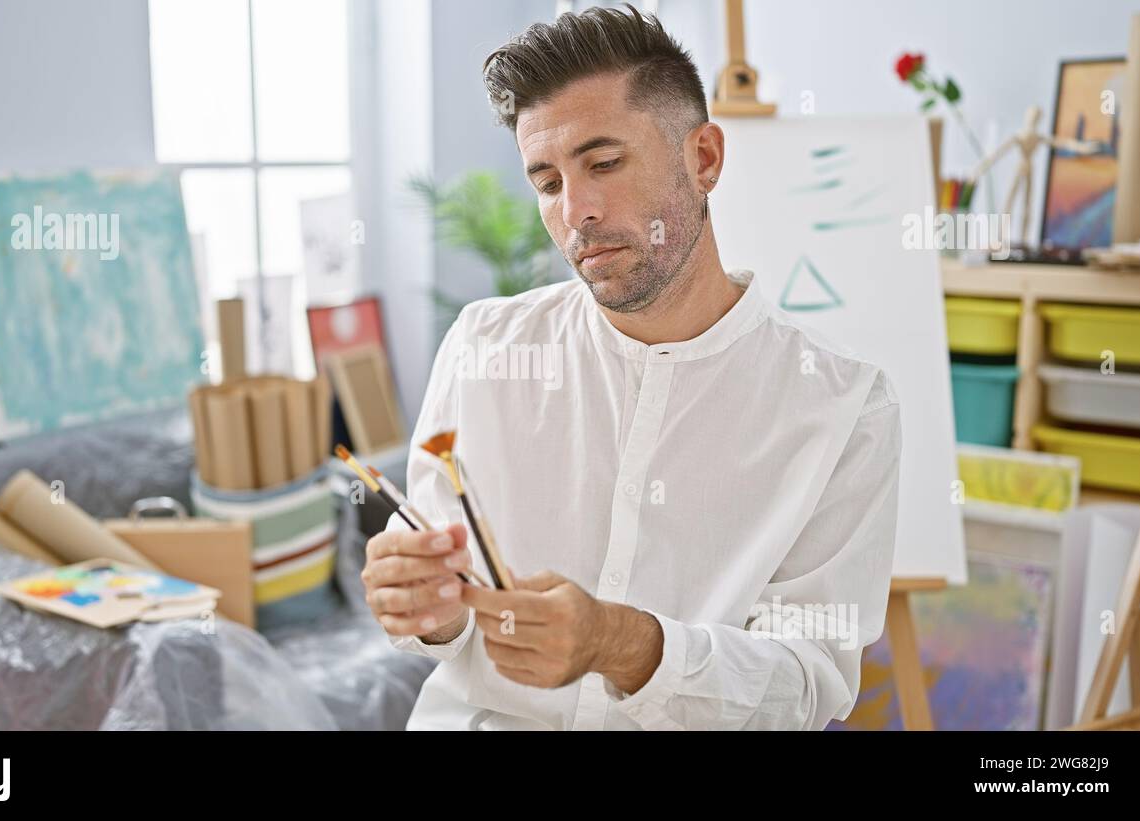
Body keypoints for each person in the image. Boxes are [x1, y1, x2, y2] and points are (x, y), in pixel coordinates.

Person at [360, 3, 902, 730]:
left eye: (604, 163)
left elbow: (806, 685)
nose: (575, 211)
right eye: (548, 182)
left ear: (703, 158)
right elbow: (447, 624)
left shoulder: (843, 407)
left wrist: (624, 644)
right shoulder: (484, 347)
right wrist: (423, 606)